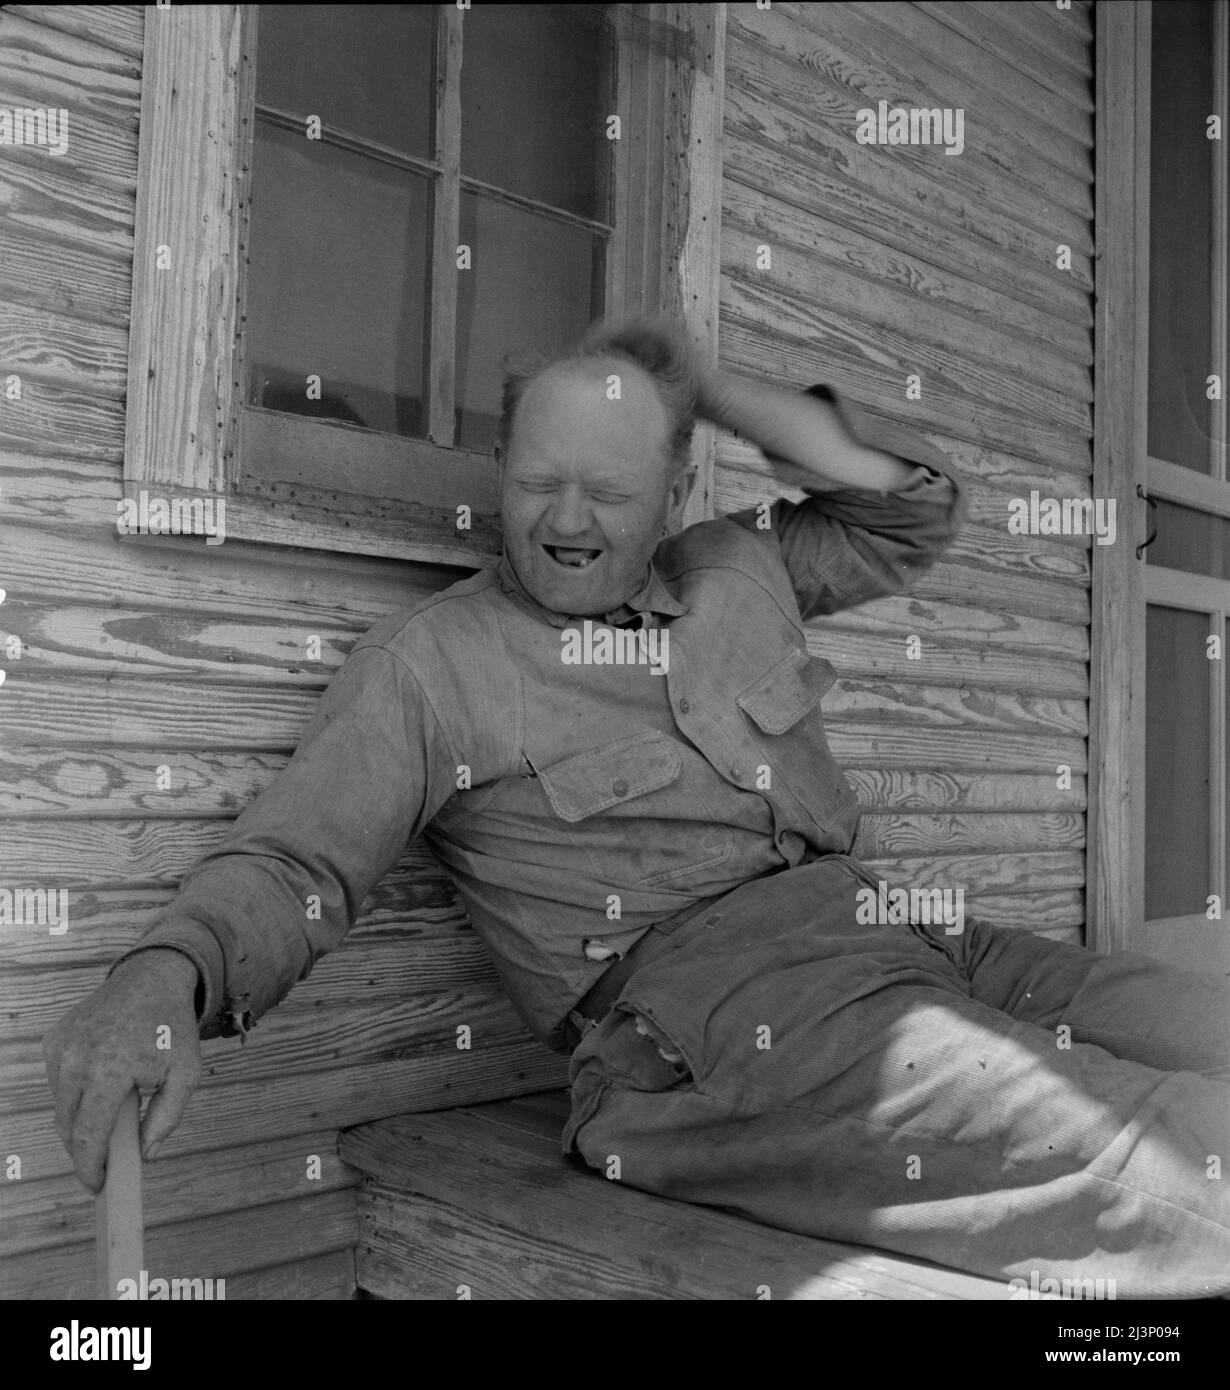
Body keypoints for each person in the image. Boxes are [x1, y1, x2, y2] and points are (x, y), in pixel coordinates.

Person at [45, 316, 1230, 1297]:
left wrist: (705, 381)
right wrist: (164, 979)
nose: (567, 522)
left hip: (915, 935)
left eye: (610, 489)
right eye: (536, 482)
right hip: (713, 1029)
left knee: (1200, 1020)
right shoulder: (436, 664)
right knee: (1165, 1160)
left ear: (672, 489)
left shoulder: (740, 564)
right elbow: (296, 863)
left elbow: (912, 509)